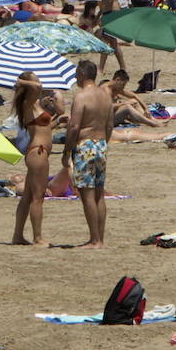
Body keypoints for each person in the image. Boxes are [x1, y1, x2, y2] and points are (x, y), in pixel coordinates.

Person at [62, 59, 113, 249]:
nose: (75, 77)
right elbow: (110, 125)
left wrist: (67, 151)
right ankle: (100, 238)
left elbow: (74, 126)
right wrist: (103, 143)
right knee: (99, 193)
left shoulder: (81, 96)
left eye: (77, 73)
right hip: (101, 144)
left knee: (87, 194)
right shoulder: (105, 95)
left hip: (85, 145)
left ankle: (94, 239)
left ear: (83, 74)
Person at [10, 73, 64, 247]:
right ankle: (38, 237)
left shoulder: (34, 105)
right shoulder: (27, 103)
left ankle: (17, 235)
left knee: (27, 196)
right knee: (37, 197)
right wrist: (20, 81)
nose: (39, 82)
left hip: (38, 152)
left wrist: (57, 120)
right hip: (38, 152)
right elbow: (38, 87)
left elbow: (44, 128)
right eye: (36, 79)